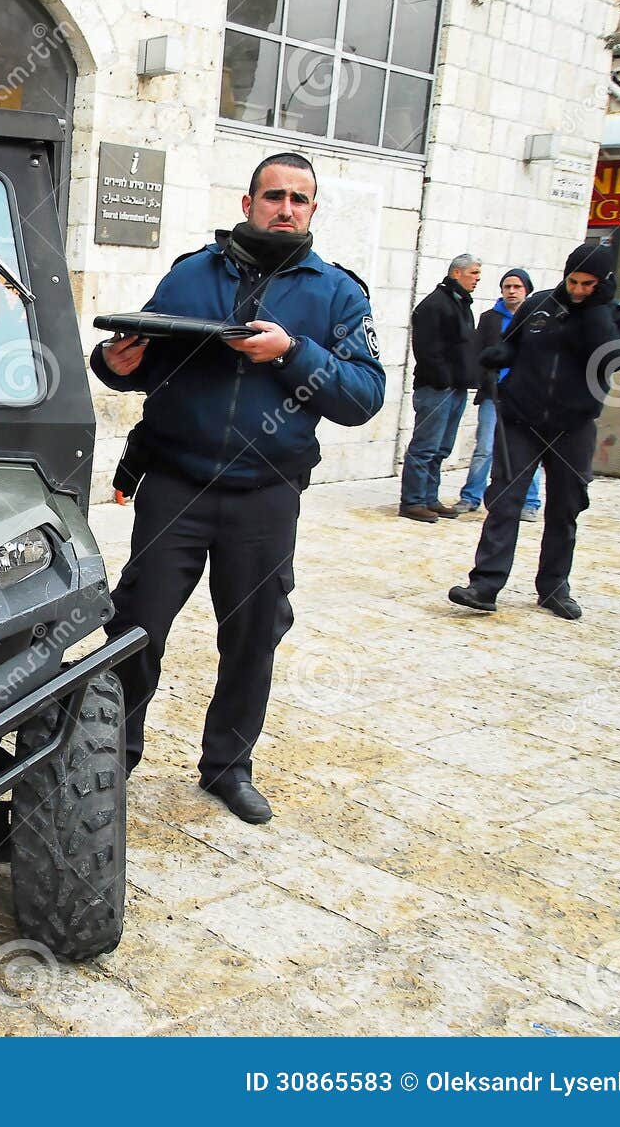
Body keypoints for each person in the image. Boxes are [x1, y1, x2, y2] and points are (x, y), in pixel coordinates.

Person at [93, 152, 387, 824]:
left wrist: (293, 352)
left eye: (300, 199)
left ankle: (228, 766)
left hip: (264, 496)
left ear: (313, 210)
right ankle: (109, 756)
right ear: (247, 201)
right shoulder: (190, 275)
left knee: (253, 633)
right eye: (274, 195)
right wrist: (112, 363)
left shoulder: (337, 293)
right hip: (176, 486)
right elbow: (142, 362)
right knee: (136, 625)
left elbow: (364, 395)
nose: (286, 208)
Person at [449, 243, 620, 620]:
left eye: (589, 284)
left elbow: (611, 360)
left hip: (574, 426)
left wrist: (595, 308)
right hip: (522, 420)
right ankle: (485, 586)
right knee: (504, 501)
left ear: (604, 283)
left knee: (565, 508)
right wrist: (498, 357)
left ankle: (553, 587)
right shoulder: (538, 306)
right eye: (573, 281)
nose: (578, 289)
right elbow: (512, 345)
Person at [452, 269, 542, 520]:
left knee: (529, 450)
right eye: (507, 287)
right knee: (485, 447)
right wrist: (484, 377)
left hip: (526, 396)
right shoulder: (489, 318)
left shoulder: (538, 318)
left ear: (527, 290)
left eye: (517, 287)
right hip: (494, 394)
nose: (511, 291)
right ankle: (470, 496)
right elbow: (478, 352)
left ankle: (531, 501)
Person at [399, 255, 482, 522]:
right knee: (425, 447)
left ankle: (429, 498)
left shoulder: (460, 304)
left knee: (441, 448)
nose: (477, 278)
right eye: (473, 273)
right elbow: (427, 350)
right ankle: (412, 502)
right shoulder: (435, 305)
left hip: (455, 388)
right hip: (436, 389)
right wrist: (444, 379)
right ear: (457, 273)